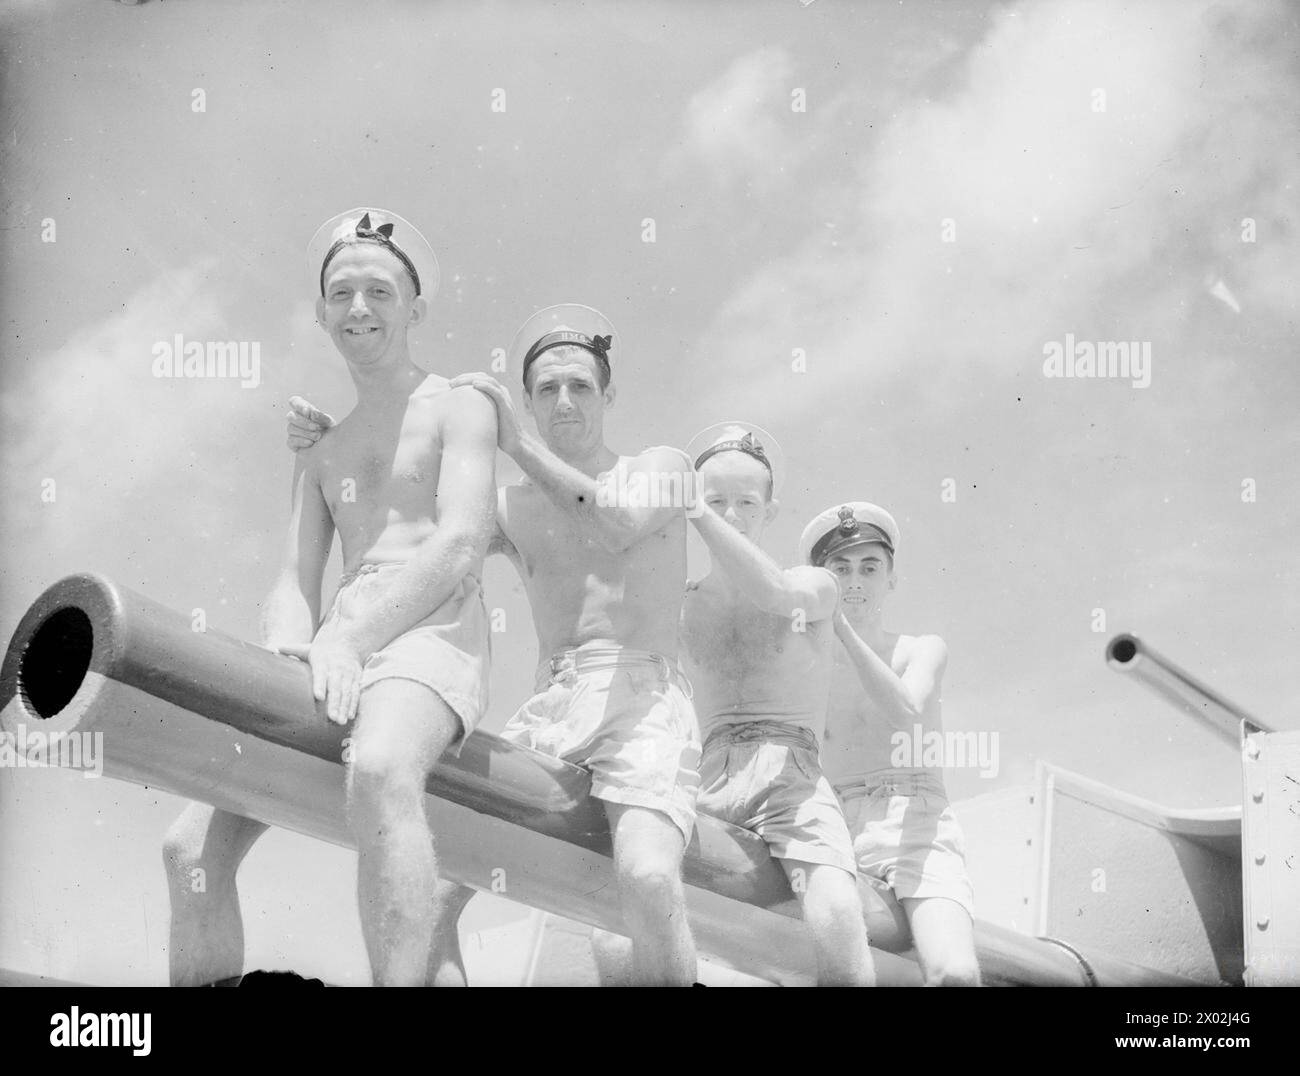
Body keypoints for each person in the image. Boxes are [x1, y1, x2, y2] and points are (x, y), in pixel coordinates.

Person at [288, 305, 702, 985]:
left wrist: (516, 443)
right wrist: (342, 448)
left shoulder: (662, 465)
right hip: (554, 703)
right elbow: (417, 526)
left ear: (609, 393)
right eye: (545, 389)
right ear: (530, 400)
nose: (563, 401)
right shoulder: (513, 508)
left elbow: (619, 522)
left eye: (580, 386)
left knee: (648, 875)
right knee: (438, 886)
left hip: (642, 697)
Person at [163, 208, 499, 987]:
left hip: (428, 624)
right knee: (187, 849)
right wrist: (291, 648)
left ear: (415, 309)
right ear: (319, 314)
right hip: (335, 639)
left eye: (380, 291)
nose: (359, 308)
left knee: (380, 768)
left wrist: (349, 642)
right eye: (341, 293)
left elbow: (459, 543)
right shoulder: (320, 452)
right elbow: (292, 580)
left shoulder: (461, 405)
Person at [677, 427, 876, 985]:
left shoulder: (812, 582)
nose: (730, 514)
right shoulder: (682, 603)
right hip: (705, 776)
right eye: (716, 501)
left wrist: (696, 512)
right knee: (625, 922)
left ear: (771, 510)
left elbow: (776, 597)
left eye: (745, 503)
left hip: (792, 774)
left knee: (836, 908)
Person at [798, 502, 981, 986]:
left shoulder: (921, 648)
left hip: (914, 825)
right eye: (841, 568)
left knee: (955, 973)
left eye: (869, 567)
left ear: (892, 578)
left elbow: (909, 710)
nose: (855, 580)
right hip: (832, 829)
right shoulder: (800, 667)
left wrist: (841, 629)